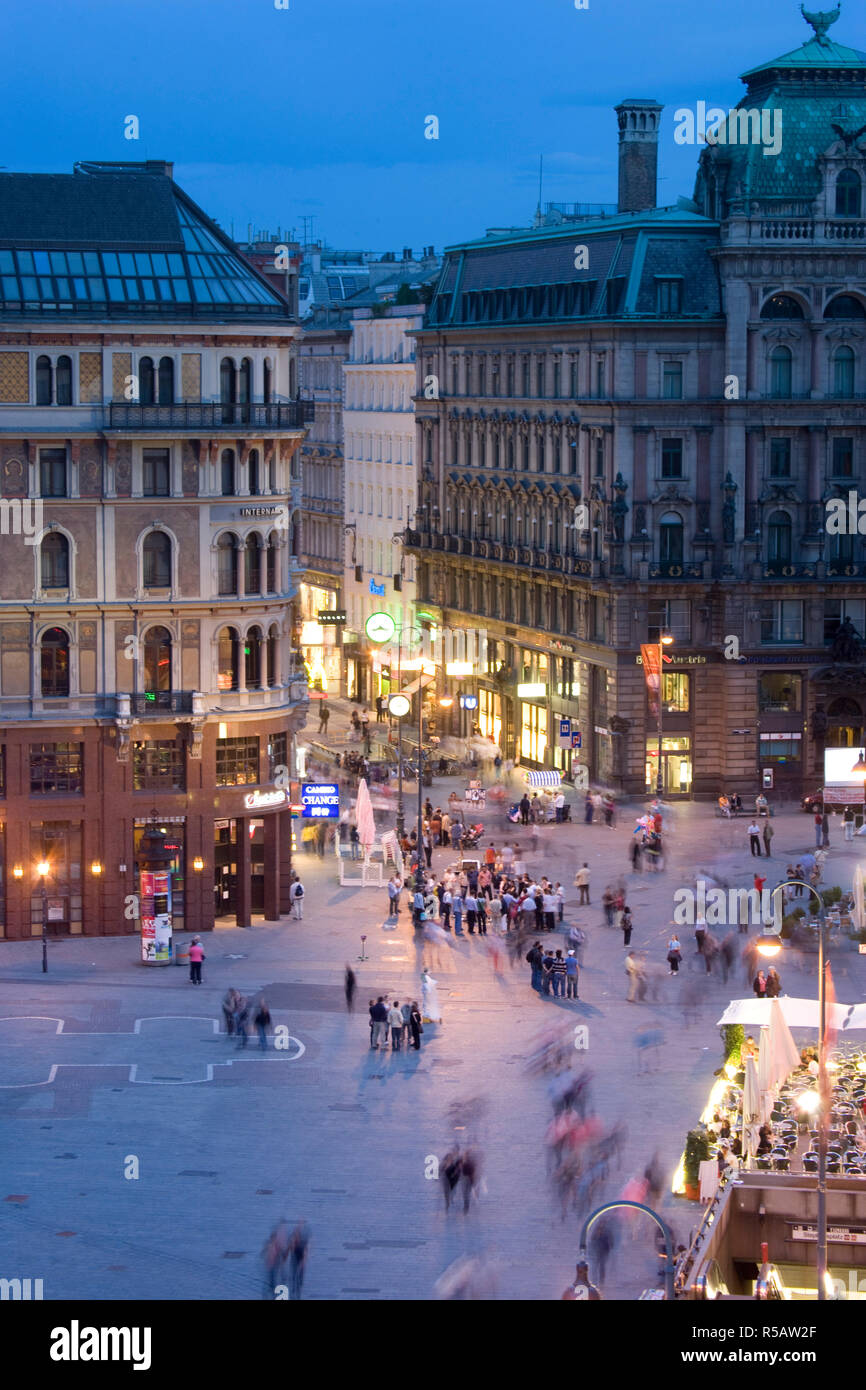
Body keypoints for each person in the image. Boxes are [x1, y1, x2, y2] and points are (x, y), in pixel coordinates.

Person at [287, 1222, 310, 1300]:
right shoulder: (293, 1241)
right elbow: (289, 1249)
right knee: (293, 1273)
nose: (295, 1238)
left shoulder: (302, 1242)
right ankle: (294, 1286)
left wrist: (303, 1261)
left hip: (300, 1259)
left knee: (300, 1275)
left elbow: (305, 1252)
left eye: (297, 1236)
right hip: (294, 1259)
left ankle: (298, 1287)